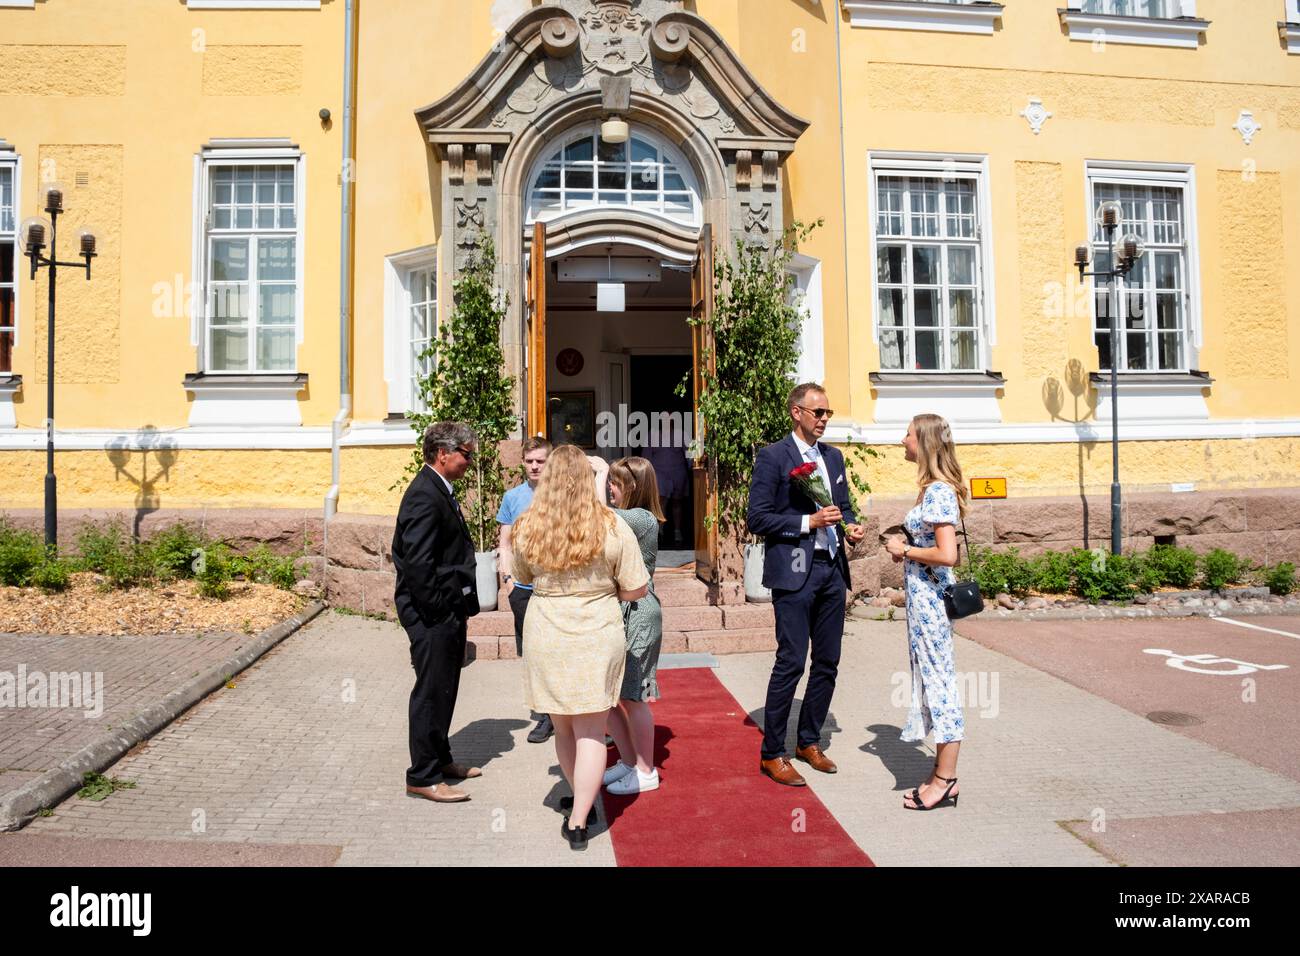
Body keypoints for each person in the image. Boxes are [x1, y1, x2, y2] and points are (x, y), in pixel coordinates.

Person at [510, 445, 649, 850]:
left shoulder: (528, 524)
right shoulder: (611, 525)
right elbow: (636, 587)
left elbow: (521, 575)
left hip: (547, 630)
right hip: (595, 629)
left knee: (564, 723)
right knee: (591, 728)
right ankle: (580, 817)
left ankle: (579, 803)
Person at [746, 383, 866, 786]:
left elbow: (843, 505)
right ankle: (773, 752)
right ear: (797, 413)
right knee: (791, 661)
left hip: (832, 568)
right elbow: (757, 518)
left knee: (828, 661)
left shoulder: (833, 457)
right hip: (794, 570)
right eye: (818, 413)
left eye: (828, 413)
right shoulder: (773, 457)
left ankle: (809, 741)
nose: (825, 419)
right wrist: (806, 523)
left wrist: (850, 526)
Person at [391, 422, 483, 803]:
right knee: (430, 693)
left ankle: (440, 758)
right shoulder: (424, 496)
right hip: (432, 615)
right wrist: (437, 613)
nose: (469, 461)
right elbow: (417, 564)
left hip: (445, 611)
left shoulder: (439, 489)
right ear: (442, 454)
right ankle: (422, 775)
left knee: (445, 689)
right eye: (466, 453)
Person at [884, 413, 966, 810]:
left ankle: (945, 780)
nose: (902, 440)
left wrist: (906, 550)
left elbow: (947, 555)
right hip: (924, 607)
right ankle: (939, 774)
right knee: (934, 686)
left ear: (926, 443)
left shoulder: (938, 492)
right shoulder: (930, 490)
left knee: (941, 688)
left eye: (908, 434)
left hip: (932, 607)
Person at [590, 455, 665, 796]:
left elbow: (598, 517)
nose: (609, 487)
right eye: (609, 481)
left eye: (616, 483)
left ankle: (647, 771)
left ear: (632, 487)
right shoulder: (634, 517)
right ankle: (629, 760)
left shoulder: (641, 518)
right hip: (623, 611)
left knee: (633, 697)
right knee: (610, 696)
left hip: (639, 612)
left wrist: (600, 471)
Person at [497, 436, 553, 744]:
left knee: (554, 650)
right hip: (522, 589)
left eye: (540, 461)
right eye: (529, 461)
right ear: (523, 463)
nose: (534, 466)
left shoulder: (560, 497)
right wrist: (507, 581)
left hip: (554, 589)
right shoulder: (512, 497)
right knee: (531, 653)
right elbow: (504, 543)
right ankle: (544, 714)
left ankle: (562, 712)